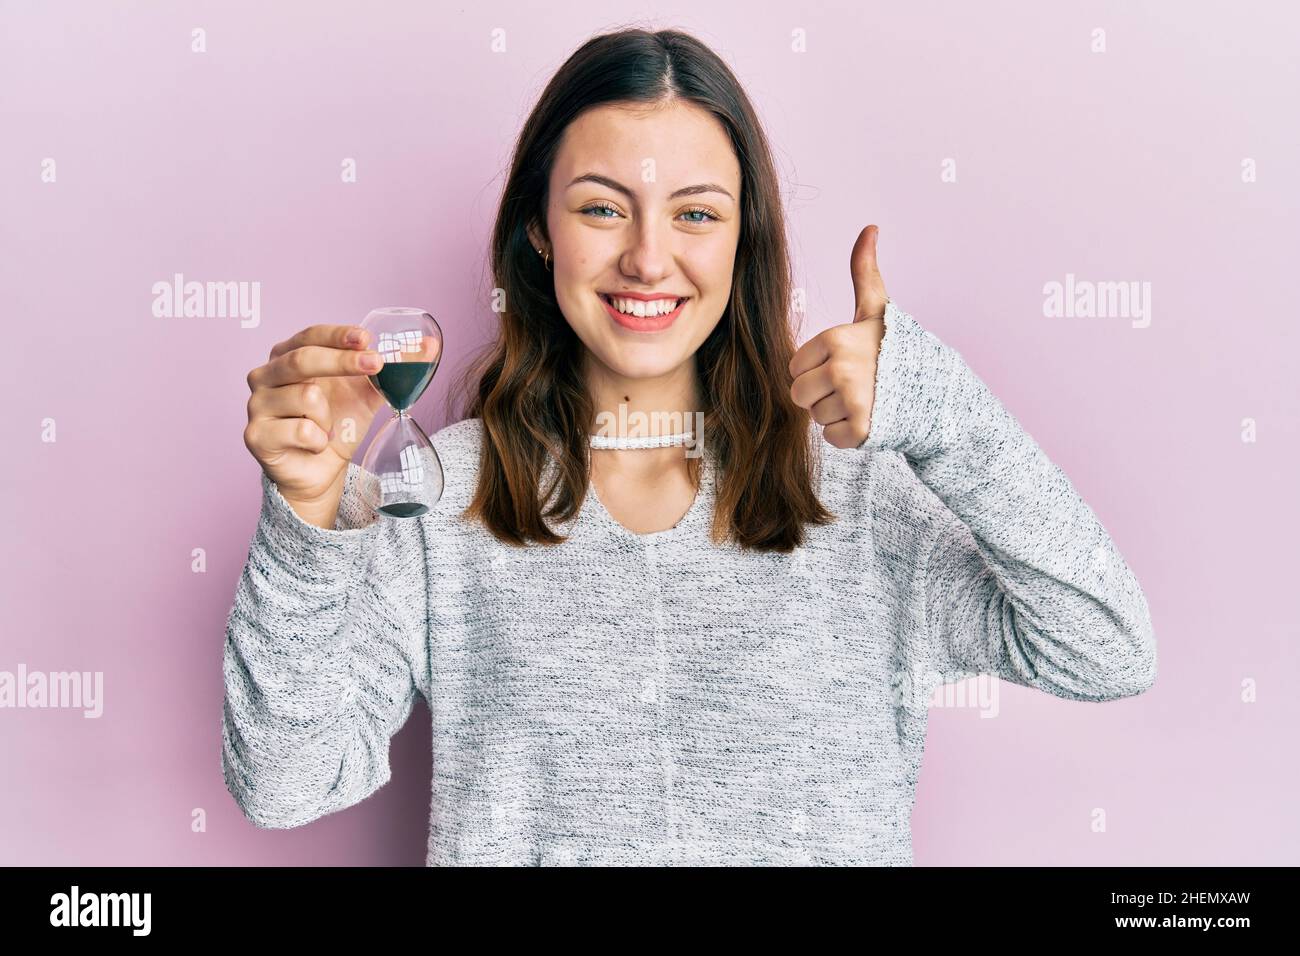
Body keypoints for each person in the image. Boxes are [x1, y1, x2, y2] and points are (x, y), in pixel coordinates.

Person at [223, 28, 1156, 866]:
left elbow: (1106, 647)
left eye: (696, 214)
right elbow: (286, 781)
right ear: (538, 234)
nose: (648, 259)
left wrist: (942, 414)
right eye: (601, 208)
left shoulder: (854, 489)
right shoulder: (441, 492)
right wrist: (306, 520)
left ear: (743, 239)